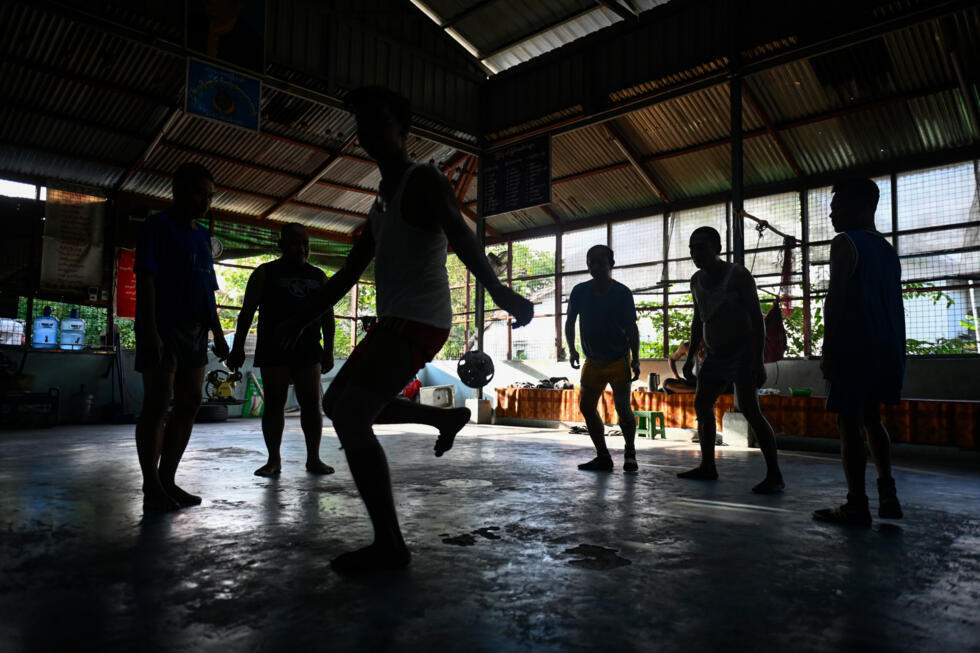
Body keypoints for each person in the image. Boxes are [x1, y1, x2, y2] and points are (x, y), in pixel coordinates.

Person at [278, 86, 534, 573]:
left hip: (422, 318)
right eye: (363, 123)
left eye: (379, 121)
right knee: (336, 404)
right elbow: (349, 274)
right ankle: (442, 419)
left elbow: (461, 236)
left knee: (352, 417)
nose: (368, 131)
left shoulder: (425, 180)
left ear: (402, 129)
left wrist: (500, 293)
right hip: (396, 320)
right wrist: (302, 317)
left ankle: (390, 544)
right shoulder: (378, 207)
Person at [134, 162, 230, 511]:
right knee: (157, 406)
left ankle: (168, 480)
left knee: (189, 404)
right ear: (178, 191)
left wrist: (218, 336)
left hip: (195, 332)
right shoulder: (156, 227)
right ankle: (151, 486)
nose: (206, 202)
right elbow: (145, 280)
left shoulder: (203, 235)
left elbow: (207, 290)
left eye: (210, 196)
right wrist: (151, 333)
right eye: (200, 194)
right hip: (162, 328)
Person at [813, 178, 905, 526]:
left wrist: (829, 349)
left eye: (838, 207)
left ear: (862, 208)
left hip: (855, 347)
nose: (833, 215)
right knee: (873, 417)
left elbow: (835, 300)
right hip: (887, 347)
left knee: (848, 422)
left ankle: (856, 504)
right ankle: (888, 494)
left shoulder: (845, 242)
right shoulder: (886, 249)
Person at [676, 226, 784, 493]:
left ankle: (775, 475)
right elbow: (697, 319)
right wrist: (690, 358)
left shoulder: (737, 275)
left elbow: (757, 319)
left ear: (717, 248)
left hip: (742, 352)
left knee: (750, 410)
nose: (695, 253)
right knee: (702, 404)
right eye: (691, 248)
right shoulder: (695, 281)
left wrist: (757, 360)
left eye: (701, 246)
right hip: (714, 354)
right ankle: (708, 466)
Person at [226, 223, 336, 477]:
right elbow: (246, 313)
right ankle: (273, 460)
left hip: (308, 350)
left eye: (306, 244)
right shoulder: (265, 273)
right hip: (273, 349)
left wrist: (328, 350)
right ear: (281, 245)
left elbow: (328, 317)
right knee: (274, 404)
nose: (301, 249)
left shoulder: (319, 276)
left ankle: (314, 459)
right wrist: (238, 347)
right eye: (295, 243)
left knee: (311, 404)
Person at [565, 245, 641, 472]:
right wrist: (571, 349)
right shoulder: (579, 291)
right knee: (587, 407)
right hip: (593, 361)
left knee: (623, 409)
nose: (595, 266)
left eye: (600, 262)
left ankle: (630, 452)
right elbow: (569, 322)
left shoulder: (622, 293)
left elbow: (631, 328)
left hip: (618, 360)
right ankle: (603, 456)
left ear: (612, 264)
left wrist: (636, 358)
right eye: (591, 262)